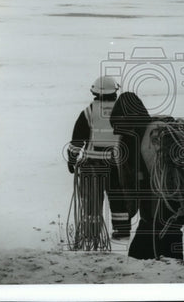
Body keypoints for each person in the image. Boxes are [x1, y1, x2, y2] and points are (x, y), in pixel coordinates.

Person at [109, 92, 184, 261]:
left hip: (167, 207)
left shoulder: (154, 137)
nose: (121, 131)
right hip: (156, 211)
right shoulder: (139, 136)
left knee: (160, 251)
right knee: (148, 252)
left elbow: (167, 178)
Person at [67, 76, 131, 241]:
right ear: (114, 91)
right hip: (115, 164)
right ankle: (122, 231)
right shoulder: (123, 111)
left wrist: (72, 159)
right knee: (117, 198)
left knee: (91, 201)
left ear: (94, 91)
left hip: (92, 165)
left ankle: (91, 232)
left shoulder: (89, 111)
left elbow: (77, 138)